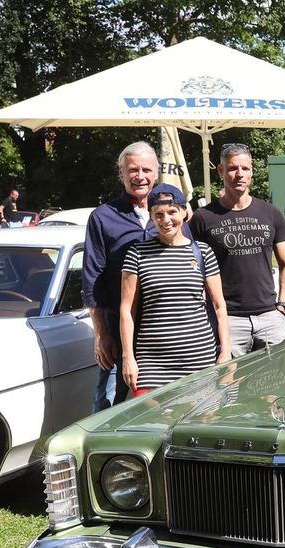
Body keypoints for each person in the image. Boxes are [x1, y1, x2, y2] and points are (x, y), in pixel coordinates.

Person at [83, 142, 190, 411]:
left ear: (156, 173)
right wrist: (101, 334)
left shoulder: (174, 217)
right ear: (121, 174)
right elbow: (92, 278)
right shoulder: (102, 217)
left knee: (171, 401)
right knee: (108, 403)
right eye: (132, 170)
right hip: (118, 327)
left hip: (164, 326)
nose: (139, 176)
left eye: (145, 169)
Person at [120, 188, 231, 395]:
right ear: (151, 217)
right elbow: (127, 310)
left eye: (172, 212)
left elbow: (219, 305)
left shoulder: (203, 252)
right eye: (158, 214)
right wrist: (128, 358)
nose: (166, 220)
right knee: (151, 425)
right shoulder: (137, 253)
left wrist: (225, 352)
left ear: (183, 212)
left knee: (199, 425)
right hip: (152, 366)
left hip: (200, 362)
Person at [189, 143, 285, 357]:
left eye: (245, 168)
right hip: (228, 319)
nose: (239, 174)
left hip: (270, 317)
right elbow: (194, 268)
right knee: (230, 383)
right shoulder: (203, 217)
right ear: (221, 170)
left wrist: (282, 306)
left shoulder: (271, 213)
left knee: (277, 382)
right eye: (232, 168)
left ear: (252, 171)